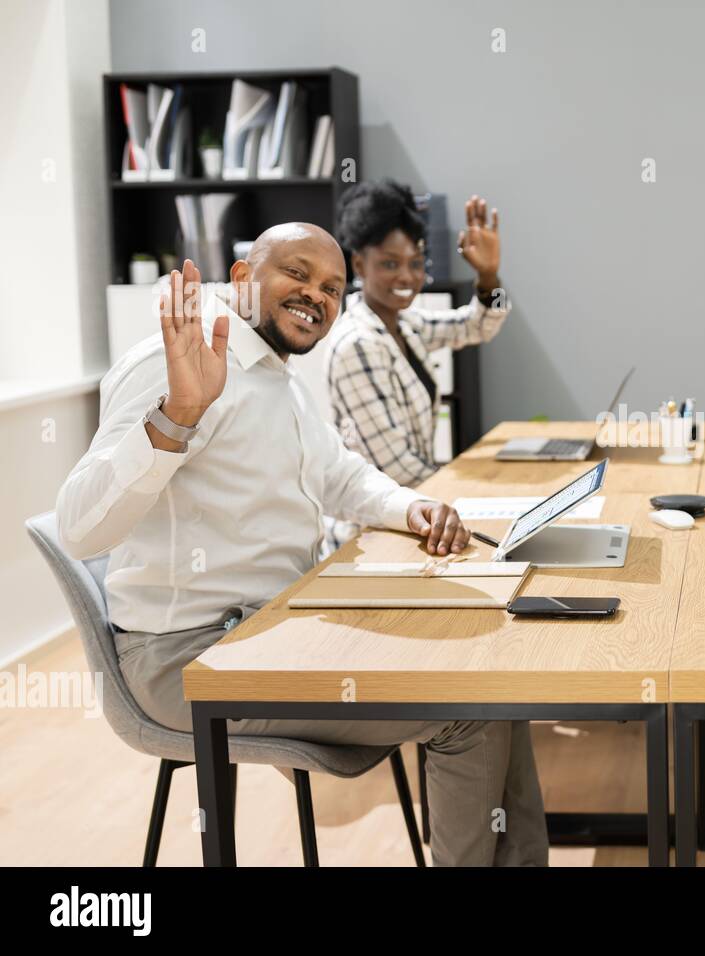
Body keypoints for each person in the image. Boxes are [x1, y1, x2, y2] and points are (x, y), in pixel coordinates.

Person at [55, 224, 548, 866]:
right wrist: (177, 416)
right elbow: (80, 527)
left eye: (332, 287)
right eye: (296, 272)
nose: (315, 294)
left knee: (495, 681)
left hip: (272, 631)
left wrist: (414, 506)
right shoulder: (176, 361)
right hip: (188, 662)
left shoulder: (278, 381)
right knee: (468, 711)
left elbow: (339, 473)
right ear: (240, 279)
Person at [324, 181, 510, 548]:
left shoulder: (405, 324)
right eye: (390, 264)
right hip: (373, 536)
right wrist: (476, 498)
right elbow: (398, 468)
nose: (407, 277)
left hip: (420, 518)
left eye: (415, 263)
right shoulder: (357, 344)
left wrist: (489, 276)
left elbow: (480, 324)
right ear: (359, 263)